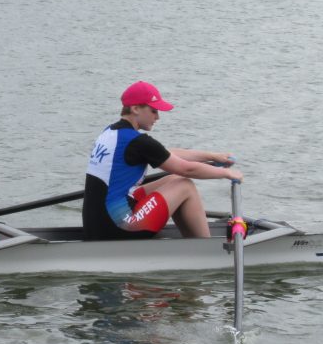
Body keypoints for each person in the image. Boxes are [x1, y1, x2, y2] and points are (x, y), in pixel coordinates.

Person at [83, 81, 242, 241]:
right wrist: (226, 173)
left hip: (96, 224)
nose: (157, 117)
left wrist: (212, 156)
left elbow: (167, 154)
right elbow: (187, 169)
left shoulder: (110, 132)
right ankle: (206, 248)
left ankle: (192, 239)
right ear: (135, 108)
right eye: (153, 110)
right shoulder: (137, 142)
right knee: (184, 184)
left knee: (173, 179)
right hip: (119, 227)